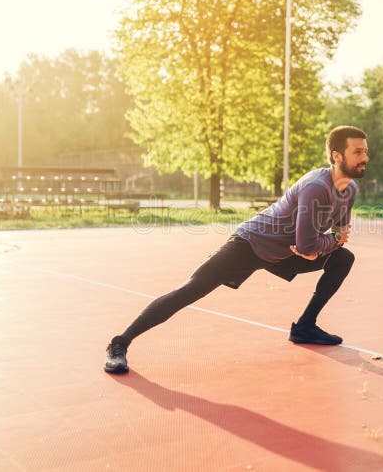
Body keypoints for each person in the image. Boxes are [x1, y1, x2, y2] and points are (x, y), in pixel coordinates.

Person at [104, 125, 369, 374]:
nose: (365, 157)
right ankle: (119, 343)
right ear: (337, 156)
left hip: (283, 253)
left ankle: (305, 327)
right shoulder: (316, 187)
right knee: (190, 290)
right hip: (250, 243)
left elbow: (339, 236)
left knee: (342, 259)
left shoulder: (350, 190)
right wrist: (326, 242)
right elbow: (311, 244)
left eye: (365, 151)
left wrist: (326, 243)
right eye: (357, 152)